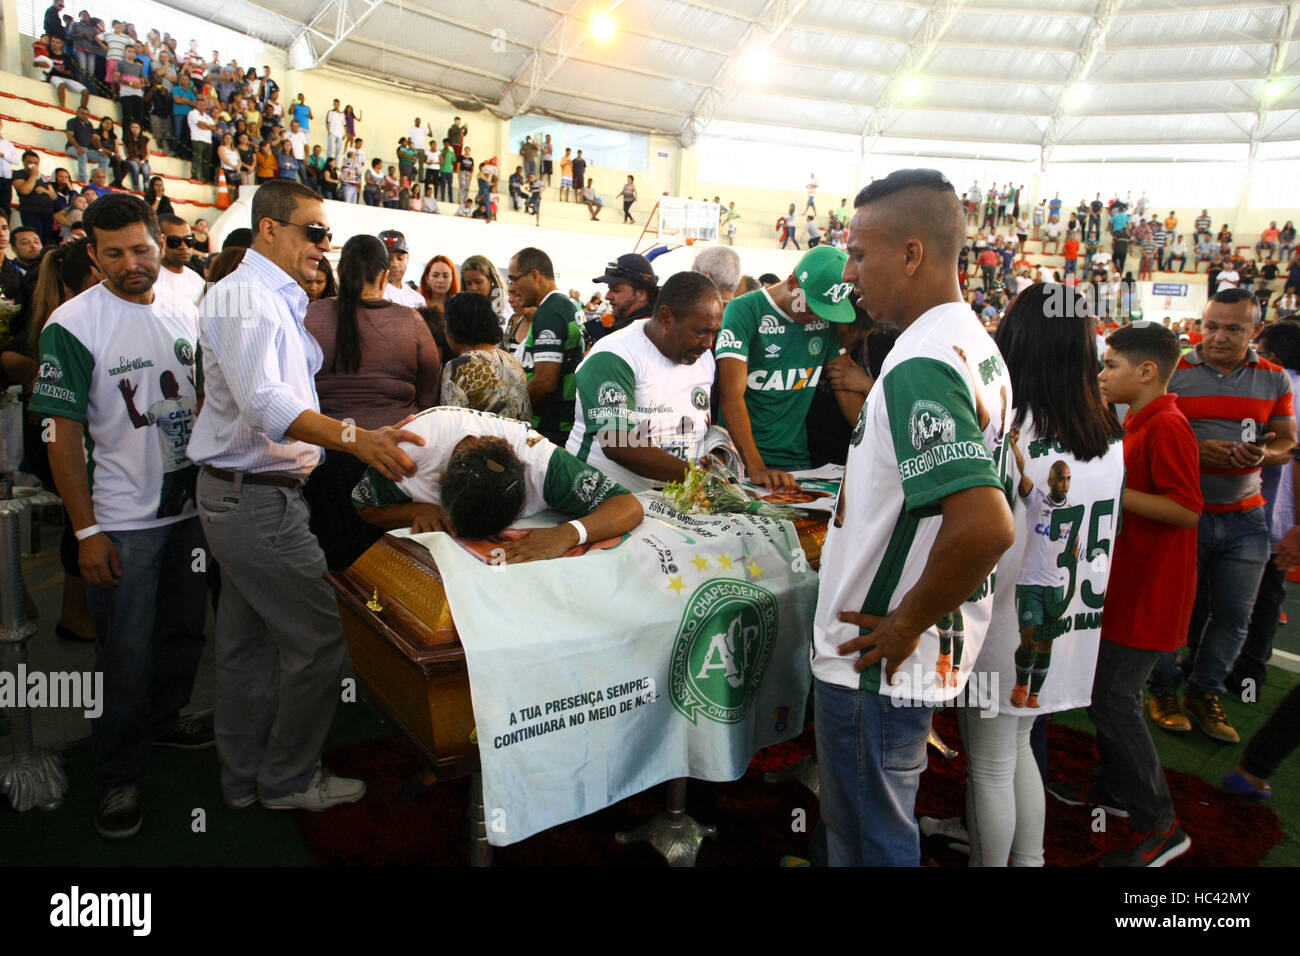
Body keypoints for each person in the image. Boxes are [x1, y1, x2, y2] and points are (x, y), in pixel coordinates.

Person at [188, 180, 424, 812]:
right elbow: (265, 404)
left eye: (327, 234)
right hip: (256, 499)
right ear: (270, 229)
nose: (326, 245)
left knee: (245, 646)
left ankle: (242, 781)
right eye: (314, 231)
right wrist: (357, 439)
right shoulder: (244, 298)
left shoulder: (271, 298)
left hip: (254, 495)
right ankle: (288, 780)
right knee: (320, 639)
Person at [812, 169, 1015, 867]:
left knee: (870, 841)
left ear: (912, 253)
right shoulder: (973, 345)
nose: (847, 272)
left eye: (860, 253)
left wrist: (904, 621)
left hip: (878, 660)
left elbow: (986, 525)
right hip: (911, 652)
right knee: (874, 828)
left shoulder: (921, 363)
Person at [29, 194, 209, 840]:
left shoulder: (188, 304)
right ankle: (117, 775)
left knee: (186, 632)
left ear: (160, 242)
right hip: (124, 521)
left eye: (140, 249)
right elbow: (61, 437)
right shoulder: (73, 325)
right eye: (113, 254)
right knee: (122, 656)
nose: (130, 264)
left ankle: (166, 719)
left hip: (191, 511)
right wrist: (86, 530)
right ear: (92, 253)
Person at [1146, 288, 1297, 743]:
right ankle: (1162, 689)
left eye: (1233, 328)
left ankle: (1204, 692)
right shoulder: (1175, 372)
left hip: (1247, 516)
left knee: (1235, 616)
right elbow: (1142, 426)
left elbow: (1288, 441)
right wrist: (1191, 447)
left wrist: (1260, 454)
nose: (1218, 336)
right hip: (1181, 513)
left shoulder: (1274, 380)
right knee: (1172, 609)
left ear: (1256, 329)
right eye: (1211, 325)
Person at [303, 234, 440, 570]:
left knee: (335, 561)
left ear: (339, 271)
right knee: (387, 567)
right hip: (395, 460)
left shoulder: (310, 316)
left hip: (329, 455)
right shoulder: (410, 321)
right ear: (383, 276)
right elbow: (429, 394)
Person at [353, 404, 642, 563]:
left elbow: (627, 506)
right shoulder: (408, 455)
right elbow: (363, 506)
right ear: (439, 483)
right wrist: (413, 511)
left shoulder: (542, 462)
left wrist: (568, 533)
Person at [717, 246, 865, 489]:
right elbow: (730, 394)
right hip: (739, 462)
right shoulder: (744, 310)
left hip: (797, 464)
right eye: (812, 307)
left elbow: (844, 383)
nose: (819, 317)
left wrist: (879, 447)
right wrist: (756, 468)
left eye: (827, 311)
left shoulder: (825, 321)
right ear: (794, 283)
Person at [566, 272, 721, 491]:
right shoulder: (615, 355)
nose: (708, 343)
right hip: (604, 498)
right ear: (666, 317)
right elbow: (617, 442)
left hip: (677, 500)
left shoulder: (704, 358)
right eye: (700, 332)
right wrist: (695, 477)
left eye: (714, 333)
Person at [509, 247, 584, 446]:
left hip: (550, 427)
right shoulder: (566, 305)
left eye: (514, 278)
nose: (513, 286)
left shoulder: (550, 312)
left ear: (534, 275)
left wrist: (508, 407)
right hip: (562, 422)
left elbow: (545, 382)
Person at [439, 291, 530, 420]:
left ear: (451, 326)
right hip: (516, 439)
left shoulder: (458, 367)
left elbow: (452, 425)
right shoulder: (512, 361)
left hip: (479, 439)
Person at [586, 253, 657, 346]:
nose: (607, 296)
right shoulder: (622, 319)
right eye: (609, 289)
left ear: (641, 294)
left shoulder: (649, 334)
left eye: (616, 291)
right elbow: (584, 329)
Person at [153, 213, 205, 311]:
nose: (183, 246)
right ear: (160, 242)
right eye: (175, 241)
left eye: (189, 241)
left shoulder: (197, 280)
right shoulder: (149, 280)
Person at [376, 230, 425, 309]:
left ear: (407, 258)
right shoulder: (371, 296)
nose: (394, 264)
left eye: (400, 258)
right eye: (388, 258)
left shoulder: (417, 300)